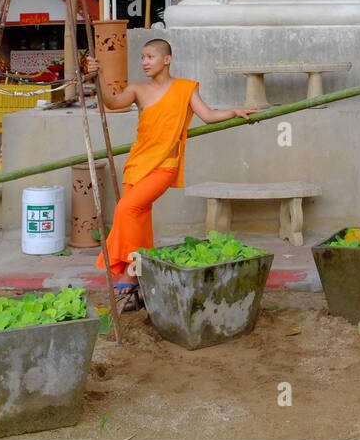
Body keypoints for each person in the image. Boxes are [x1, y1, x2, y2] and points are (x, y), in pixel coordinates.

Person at [86, 39, 257, 312]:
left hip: (165, 165)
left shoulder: (185, 88)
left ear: (166, 60)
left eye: (150, 56)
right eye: (142, 57)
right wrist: (99, 76)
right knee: (139, 220)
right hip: (137, 164)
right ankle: (142, 283)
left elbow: (209, 115)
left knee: (126, 209)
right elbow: (113, 103)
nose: (144, 62)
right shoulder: (137, 90)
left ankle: (128, 275)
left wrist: (234, 111)